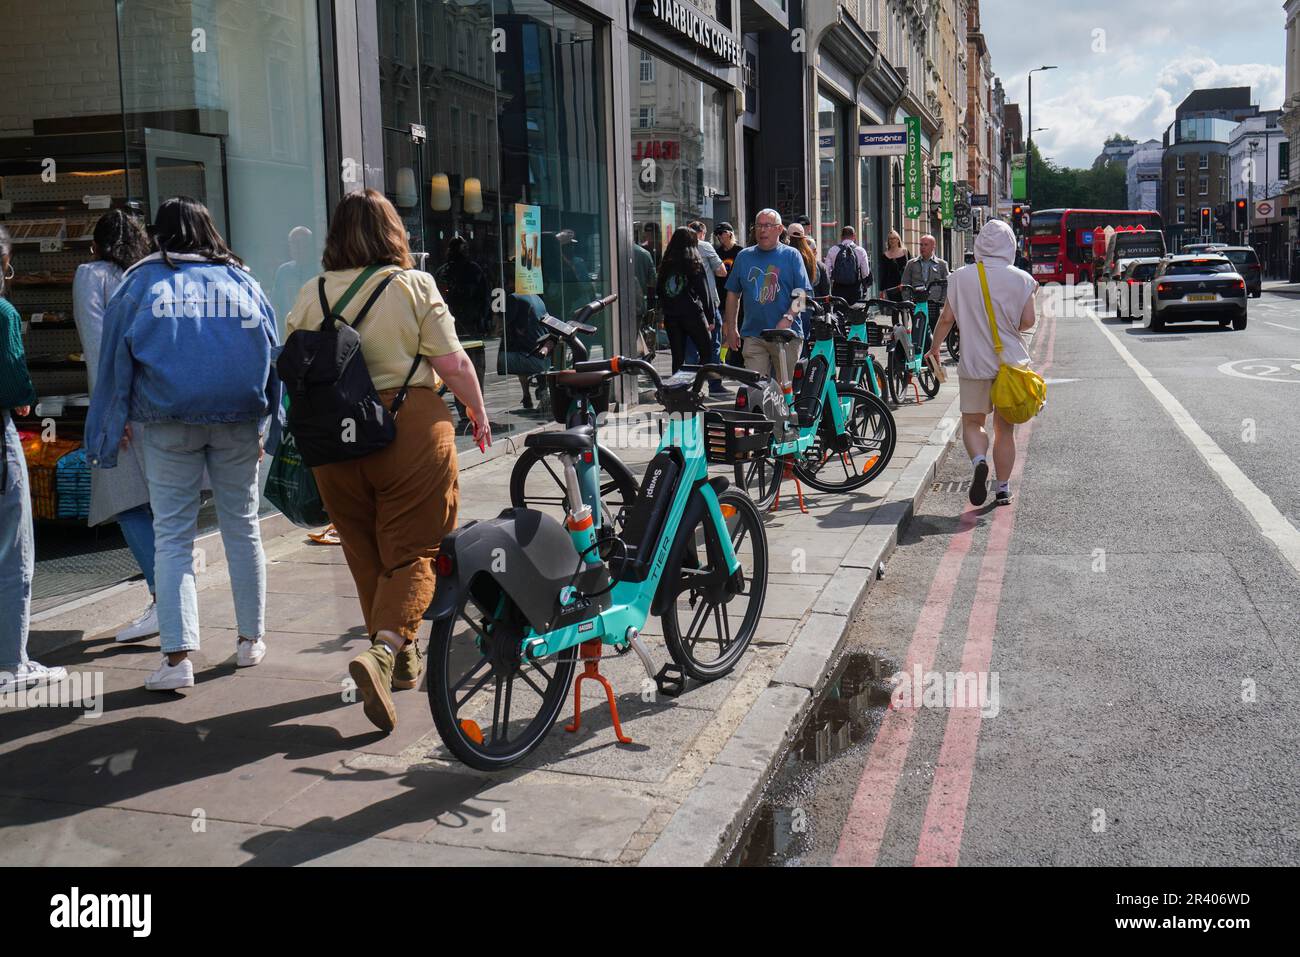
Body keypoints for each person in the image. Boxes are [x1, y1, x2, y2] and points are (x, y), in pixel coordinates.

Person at [285, 189, 490, 733]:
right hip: (407, 429)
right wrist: (477, 407)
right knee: (418, 548)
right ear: (392, 233)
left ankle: (400, 658)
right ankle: (381, 654)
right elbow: (452, 362)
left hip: (332, 442)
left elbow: (291, 362)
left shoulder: (311, 293)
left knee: (366, 550)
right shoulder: (413, 285)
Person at [85, 197, 279, 691]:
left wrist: (108, 433)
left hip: (167, 422)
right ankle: (250, 640)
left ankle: (177, 659)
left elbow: (113, 364)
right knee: (243, 527)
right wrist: (268, 429)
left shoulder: (139, 283)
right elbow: (272, 355)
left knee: (173, 535)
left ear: (159, 235)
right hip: (238, 419)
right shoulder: (243, 281)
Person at [72, 209, 158, 644]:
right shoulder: (150, 274)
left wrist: (110, 410)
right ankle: (171, 599)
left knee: (127, 504)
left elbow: (98, 346)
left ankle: (166, 598)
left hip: (122, 406)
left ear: (96, 245)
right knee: (161, 505)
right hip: (160, 404)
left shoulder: (92, 275)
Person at [0, 225, 69, 695]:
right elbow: (14, 384)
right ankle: (10, 664)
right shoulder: (2, 310)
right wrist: (24, 397)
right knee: (12, 552)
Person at [926, 219, 1037, 508]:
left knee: (973, 424)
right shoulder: (1023, 279)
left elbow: (947, 318)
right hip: (1010, 366)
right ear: (1010, 245)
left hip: (974, 364)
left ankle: (978, 461)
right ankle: (1002, 488)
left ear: (978, 246)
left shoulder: (960, 277)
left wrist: (935, 346)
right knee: (1005, 430)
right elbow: (1028, 322)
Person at [723, 209, 813, 380]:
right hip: (753, 335)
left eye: (767, 226)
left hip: (787, 335)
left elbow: (801, 294)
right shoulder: (744, 256)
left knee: (783, 390)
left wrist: (788, 318)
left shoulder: (792, 255)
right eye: (758, 226)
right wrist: (732, 327)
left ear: (779, 229)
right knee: (757, 390)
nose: (762, 230)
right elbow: (733, 293)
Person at [657, 226, 715, 374]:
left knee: (677, 356)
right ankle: (696, 383)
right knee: (706, 350)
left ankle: (678, 389)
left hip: (671, 315)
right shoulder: (694, 262)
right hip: (692, 313)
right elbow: (704, 291)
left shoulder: (666, 263)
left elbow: (660, 290)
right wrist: (710, 316)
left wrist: (663, 311)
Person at [685, 221, 729, 393]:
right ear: (702, 233)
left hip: (687, 306)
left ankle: (687, 387)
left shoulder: (677, 249)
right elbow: (722, 271)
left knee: (690, 348)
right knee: (713, 345)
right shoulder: (704, 246)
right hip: (708, 304)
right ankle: (714, 385)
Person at [434, 235, 490, 340]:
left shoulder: (473, 270)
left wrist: (482, 318)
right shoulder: (444, 271)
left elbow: (483, 296)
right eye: (463, 249)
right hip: (456, 322)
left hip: (467, 322)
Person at [270, 226, 316, 342]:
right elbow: (276, 304)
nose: (297, 248)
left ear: (310, 246)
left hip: (314, 333)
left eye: (301, 243)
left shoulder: (320, 270)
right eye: (293, 243)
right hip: (289, 334)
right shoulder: (283, 271)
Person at [825, 225, 872, 304]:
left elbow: (827, 271)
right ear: (854, 236)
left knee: (839, 313)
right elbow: (865, 272)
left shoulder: (833, 250)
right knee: (854, 314)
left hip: (838, 289)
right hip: (855, 289)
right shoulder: (860, 251)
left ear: (841, 237)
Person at [899, 233, 950, 305]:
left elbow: (946, 285)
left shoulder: (942, 264)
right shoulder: (911, 264)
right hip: (916, 303)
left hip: (935, 303)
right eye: (921, 245)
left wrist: (942, 302)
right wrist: (908, 301)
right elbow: (904, 284)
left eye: (926, 245)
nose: (922, 247)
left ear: (933, 247)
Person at [787, 223, 829, 302]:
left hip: (792, 300)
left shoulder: (788, 254)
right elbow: (816, 280)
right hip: (809, 300)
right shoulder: (810, 255)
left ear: (789, 237)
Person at [878, 229, 910, 301]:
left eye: (894, 238)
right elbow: (883, 274)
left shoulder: (905, 252)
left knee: (904, 308)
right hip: (890, 287)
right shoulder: (884, 255)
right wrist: (881, 290)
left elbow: (910, 269)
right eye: (890, 239)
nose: (892, 240)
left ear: (898, 240)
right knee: (892, 309)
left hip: (903, 286)